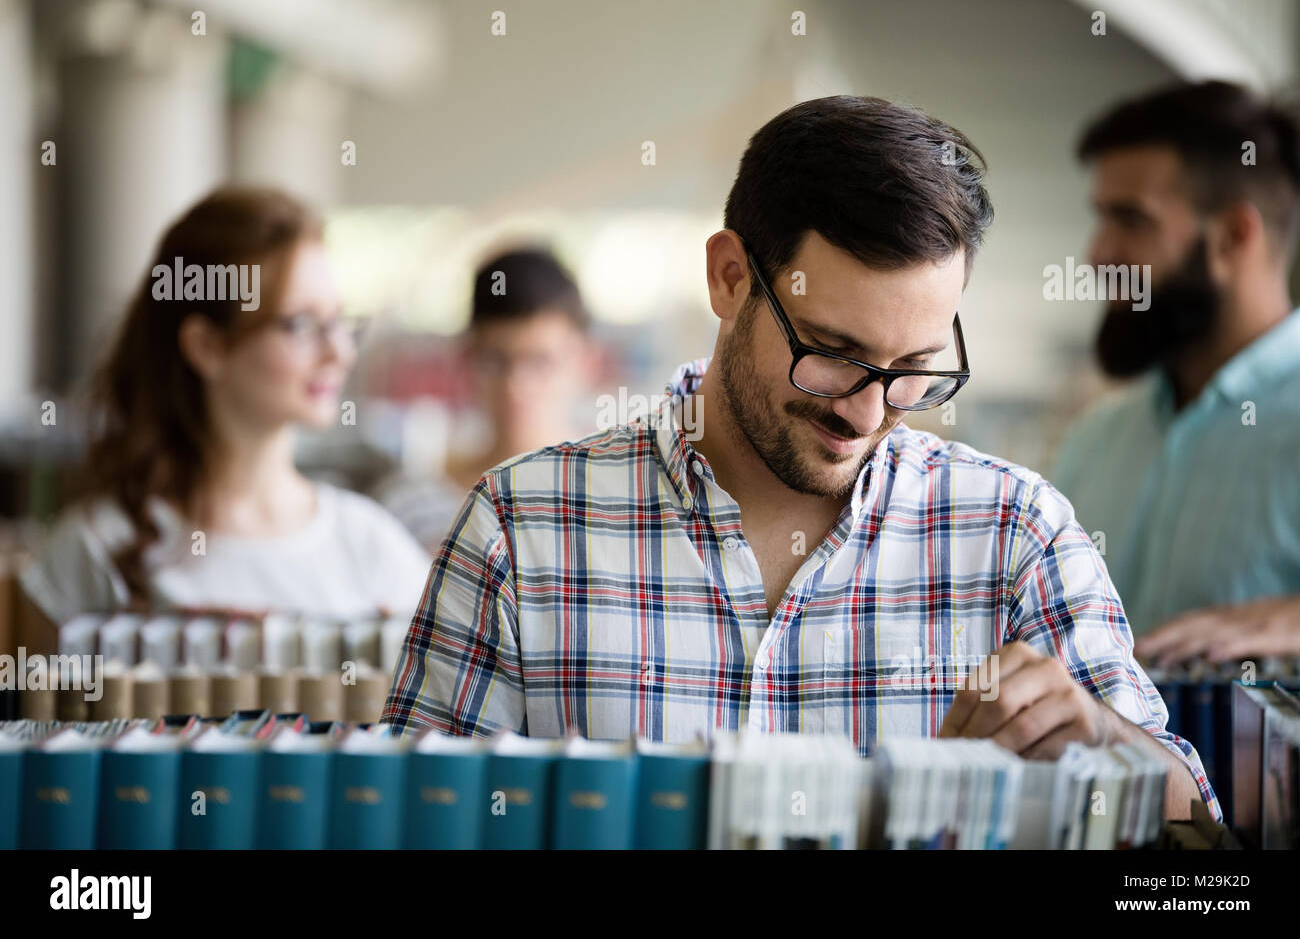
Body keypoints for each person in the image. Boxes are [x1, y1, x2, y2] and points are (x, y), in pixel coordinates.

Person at [382, 95, 1219, 820]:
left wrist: (1108, 740)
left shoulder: (1013, 534)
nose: (865, 411)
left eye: (913, 370)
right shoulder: (521, 531)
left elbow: (1203, 845)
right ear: (730, 278)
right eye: (831, 351)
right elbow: (401, 823)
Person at [17, 186, 431, 654]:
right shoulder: (96, 550)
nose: (340, 351)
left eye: (339, 320)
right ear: (207, 346)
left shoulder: (374, 548)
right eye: (300, 324)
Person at [1050, 81, 1300, 666]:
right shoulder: (1097, 441)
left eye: (1130, 220)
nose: (1097, 253)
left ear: (1234, 236)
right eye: (1101, 218)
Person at [376, 248, 597, 550]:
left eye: (541, 361)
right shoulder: (408, 508)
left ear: (583, 361)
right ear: (466, 359)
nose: (515, 385)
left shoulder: (625, 498)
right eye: (496, 360)